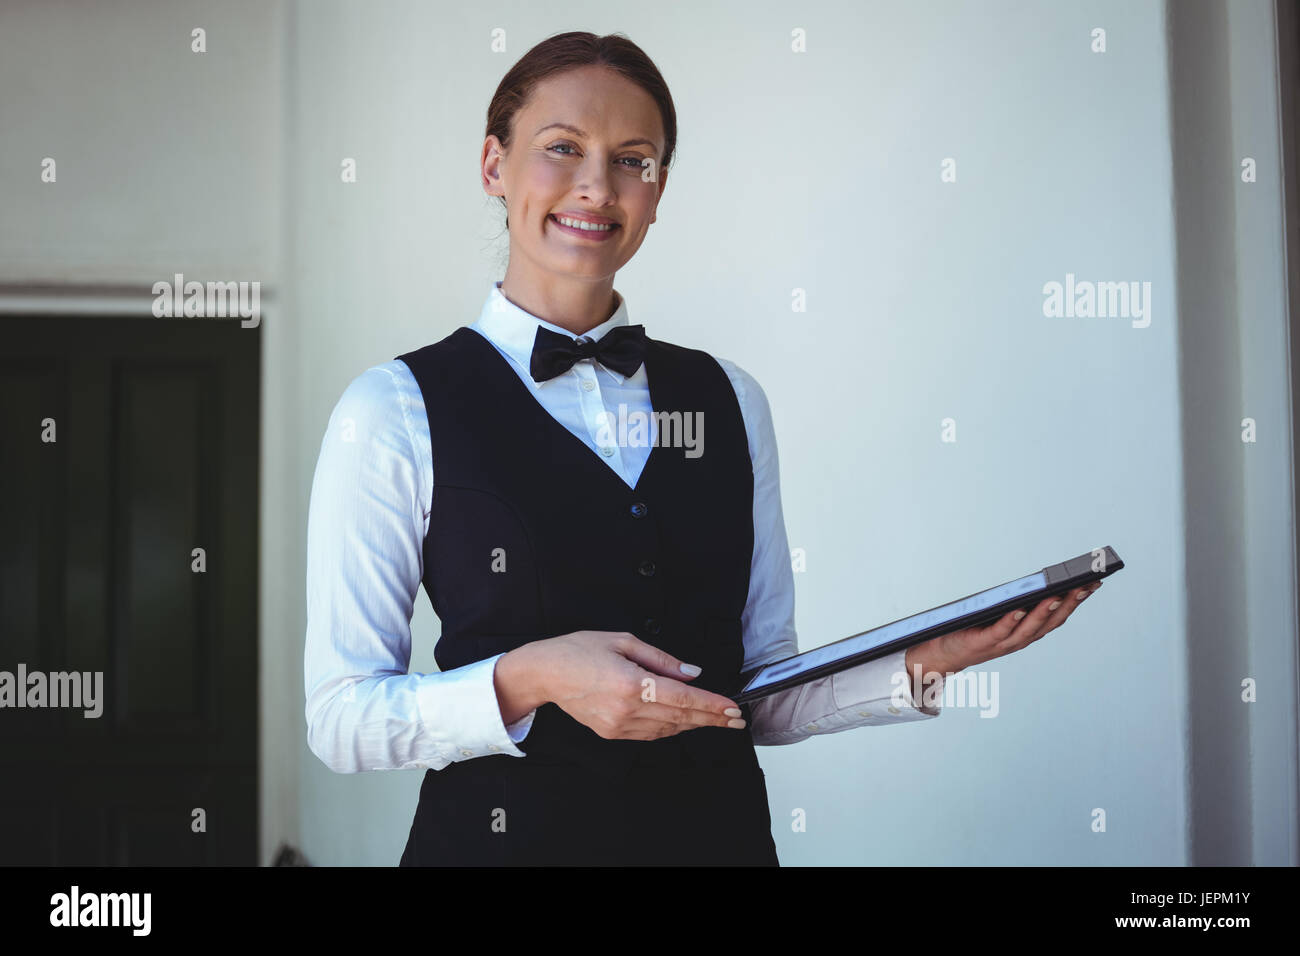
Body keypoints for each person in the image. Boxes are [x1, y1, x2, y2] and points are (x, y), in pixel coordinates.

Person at [303, 30, 1101, 867]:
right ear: (493, 167)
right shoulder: (393, 409)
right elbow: (341, 718)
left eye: (632, 160)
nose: (595, 186)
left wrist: (929, 663)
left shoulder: (731, 398)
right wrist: (532, 676)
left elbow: (759, 695)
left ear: (658, 189)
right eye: (561, 148)